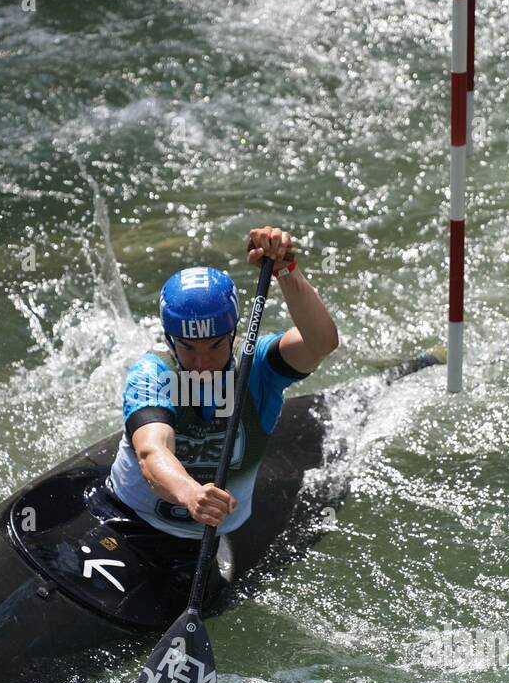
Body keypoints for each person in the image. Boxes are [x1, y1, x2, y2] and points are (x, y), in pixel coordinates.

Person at [102, 227, 339, 593]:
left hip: (207, 541)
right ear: (169, 339)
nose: (200, 362)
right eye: (188, 348)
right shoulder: (153, 374)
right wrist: (190, 493)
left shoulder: (256, 367)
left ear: (231, 335)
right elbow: (152, 451)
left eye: (214, 347)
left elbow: (321, 341)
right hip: (128, 519)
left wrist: (287, 271)